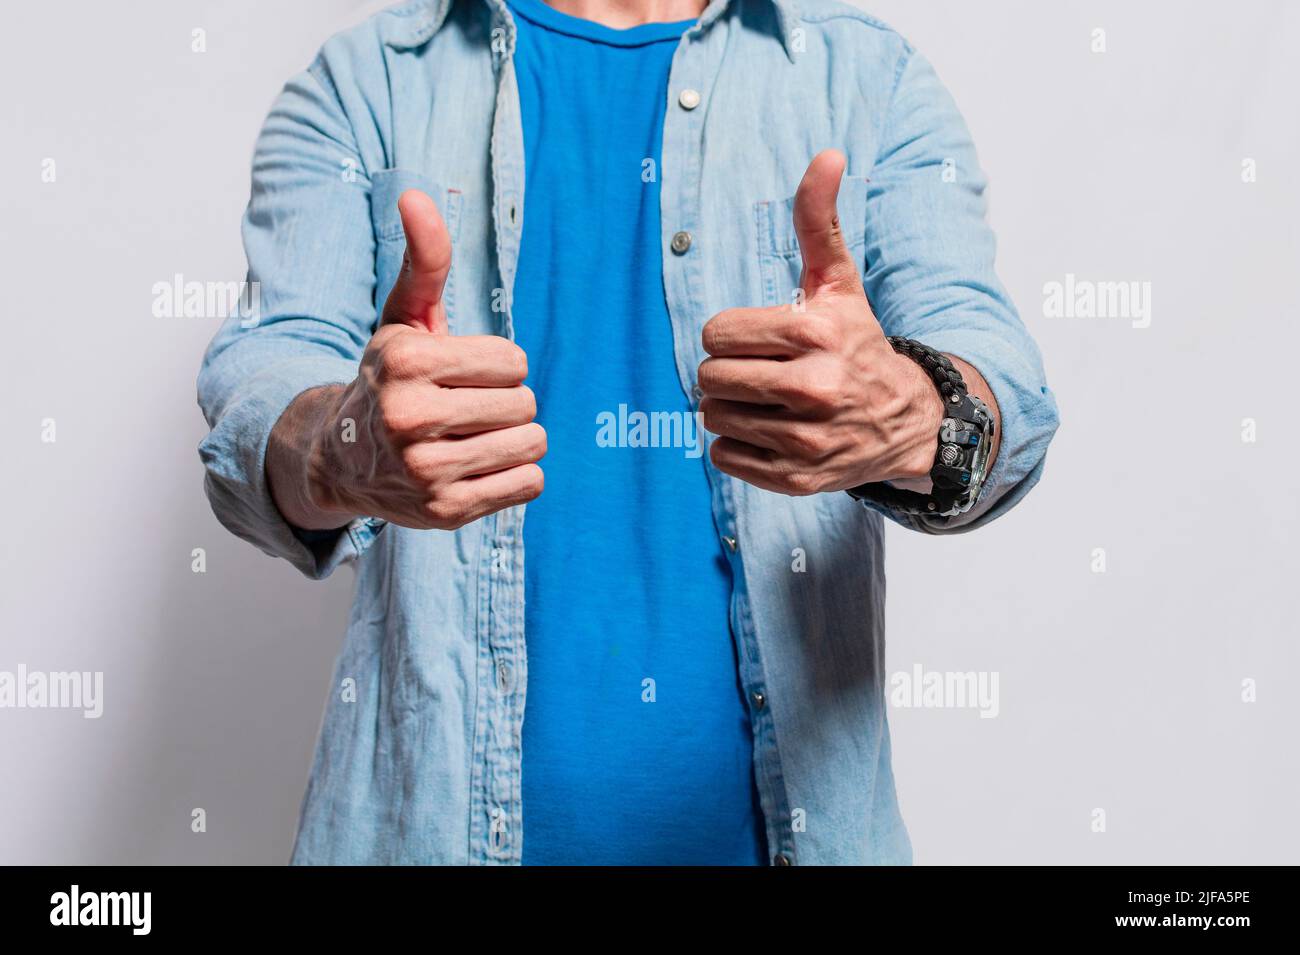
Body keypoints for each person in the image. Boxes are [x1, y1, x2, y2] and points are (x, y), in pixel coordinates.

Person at [197, 0, 1059, 865]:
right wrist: (340, 445)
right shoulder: (360, 84)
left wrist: (916, 415)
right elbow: (262, 381)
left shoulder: (869, 78)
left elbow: (1004, 388)